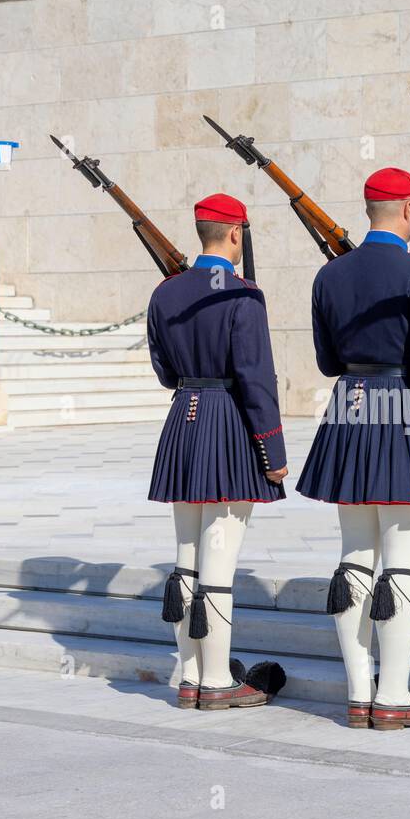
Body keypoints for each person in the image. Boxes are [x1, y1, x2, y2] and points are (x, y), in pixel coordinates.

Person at [296, 167, 410, 731]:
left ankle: (356, 692)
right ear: (408, 210)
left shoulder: (331, 275)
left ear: (369, 209)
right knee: (401, 565)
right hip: (404, 414)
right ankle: (393, 695)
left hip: (350, 408)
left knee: (354, 557)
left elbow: (326, 361)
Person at [147, 192, 287, 710]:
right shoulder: (243, 295)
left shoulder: (166, 293)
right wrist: (272, 450)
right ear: (236, 234)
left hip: (183, 420)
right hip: (227, 422)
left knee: (186, 560)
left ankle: (188, 675)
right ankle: (216, 683)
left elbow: (165, 371)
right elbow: (256, 379)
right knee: (219, 563)